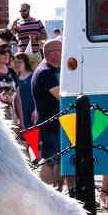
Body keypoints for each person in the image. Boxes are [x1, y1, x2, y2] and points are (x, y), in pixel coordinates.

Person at [30, 38, 73, 193]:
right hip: (48, 124)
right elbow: (60, 95)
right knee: (49, 160)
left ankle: (58, 192)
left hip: (58, 123)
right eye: (62, 51)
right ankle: (47, 194)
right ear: (52, 54)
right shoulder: (45, 71)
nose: (65, 54)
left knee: (60, 159)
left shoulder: (54, 69)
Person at [11, 50, 36, 133]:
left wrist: (35, 110)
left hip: (31, 109)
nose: (17, 64)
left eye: (19, 62)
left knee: (33, 138)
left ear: (25, 62)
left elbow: (38, 94)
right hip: (20, 110)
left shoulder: (33, 76)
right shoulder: (13, 78)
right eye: (15, 62)